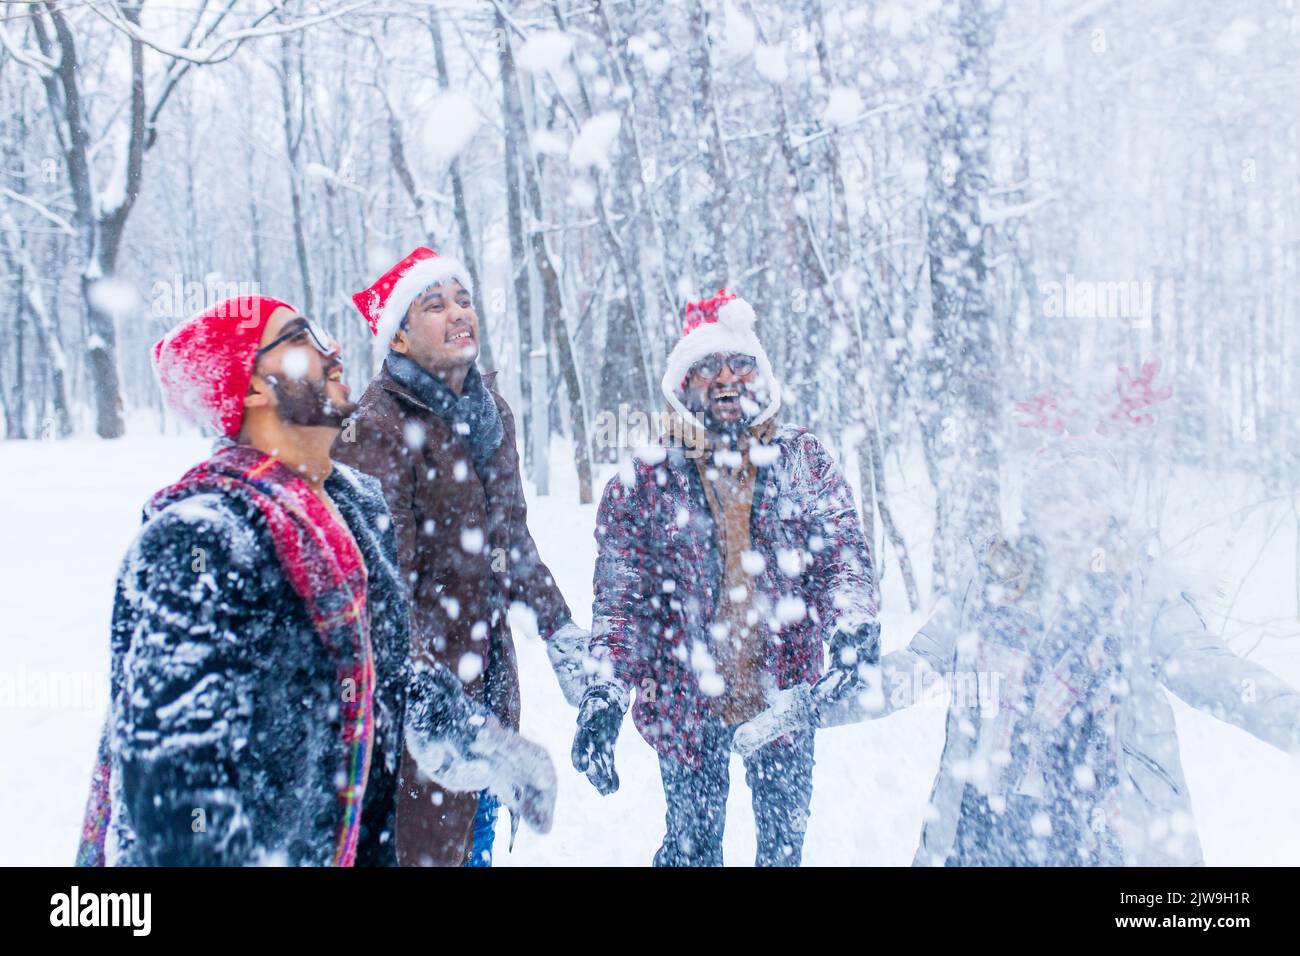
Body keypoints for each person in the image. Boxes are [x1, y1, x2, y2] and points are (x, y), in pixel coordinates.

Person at [76, 295, 555, 867]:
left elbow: (391, 671)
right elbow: (177, 800)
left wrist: (474, 735)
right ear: (251, 386)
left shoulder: (355, 509)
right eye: (304, 338)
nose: (333, 352)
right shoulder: (199, 541)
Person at [863, 441, 1300, 866]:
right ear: (1032, 510)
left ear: (1110, 509)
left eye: (1088, 496)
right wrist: (817, 700)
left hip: (1099, 831)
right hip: (988, 828)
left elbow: (1214, 672)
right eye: (1055, 497)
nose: (1070, 513)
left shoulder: (1143, 591)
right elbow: (919, 666)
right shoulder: (988, 584)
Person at [572, 289, 879, 866]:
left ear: (761, 377)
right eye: (705, 366)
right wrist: (605, 691)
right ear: (681, 385)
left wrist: (853, 623)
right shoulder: (642, 483)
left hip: (783, 697)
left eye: (739, 364)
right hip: (687, 704)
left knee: (782, 855)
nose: (724, 378)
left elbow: (842, 549)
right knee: (691, 853)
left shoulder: (801, 459)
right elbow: (620, 601)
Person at [335, 248, 588, 867]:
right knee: (427, 852)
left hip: (486, 692)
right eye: (435, 303)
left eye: (464, 299)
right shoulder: (379, 426)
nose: (459, 314)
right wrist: (434, 700)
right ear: (398, 332)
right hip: (421, 712)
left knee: (473, 847)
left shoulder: (488, 415)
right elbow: (380, 589)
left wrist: (563, 636)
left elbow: (513, 545)